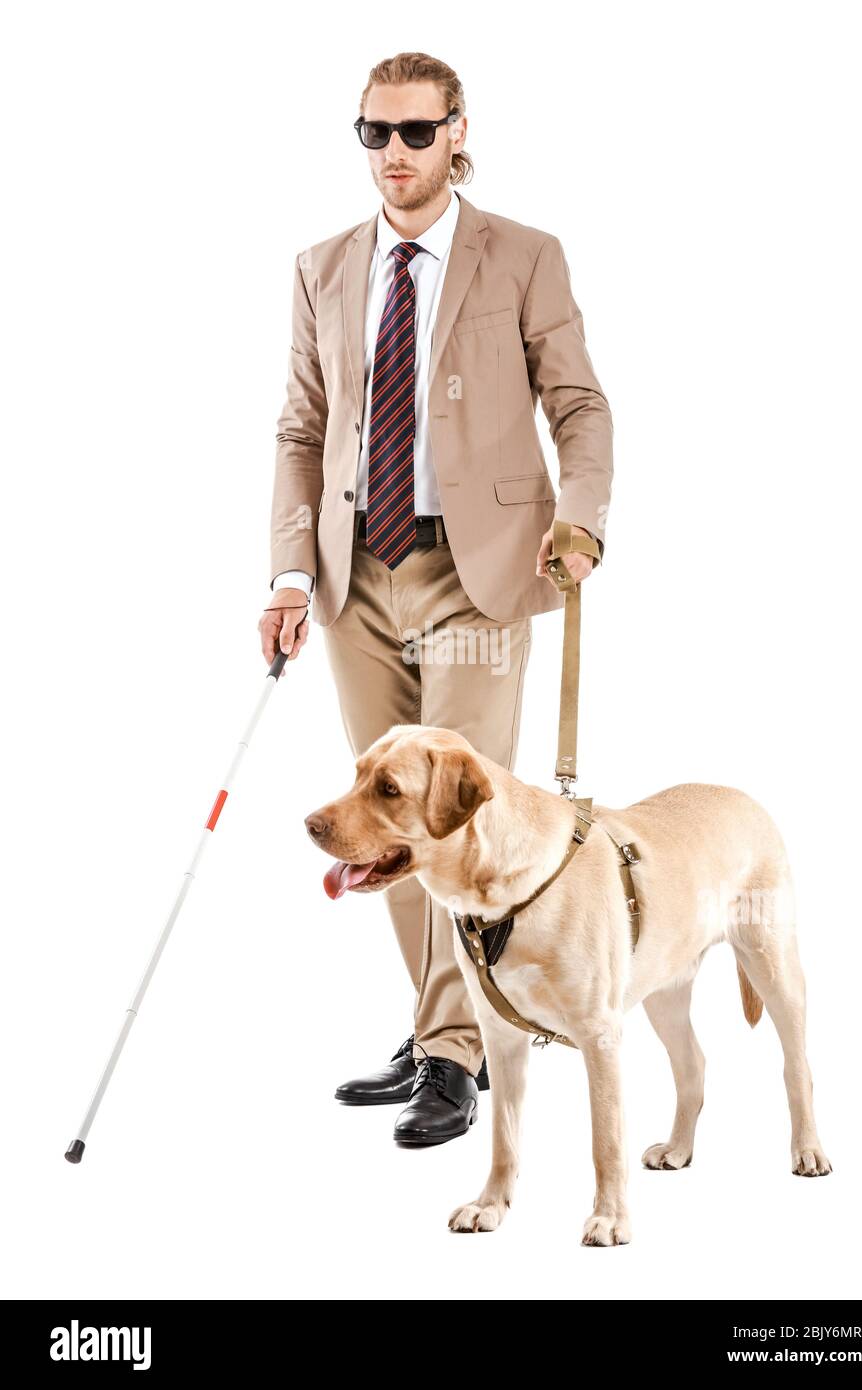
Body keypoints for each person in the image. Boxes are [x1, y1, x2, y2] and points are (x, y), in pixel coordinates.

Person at [258, 51, 613, 1147]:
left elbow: (582, 406)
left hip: (484, 568)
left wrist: (581, 518)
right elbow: (300, 432)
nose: (396, 156)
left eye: (417, 133)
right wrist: (284, 572)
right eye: (376, 135)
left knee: (451, 811)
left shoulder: (524, 255)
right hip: (356, 572)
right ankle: (436, 1030)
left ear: (460, 131)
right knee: (384, 827)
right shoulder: (322, 267)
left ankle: (458, 1057)